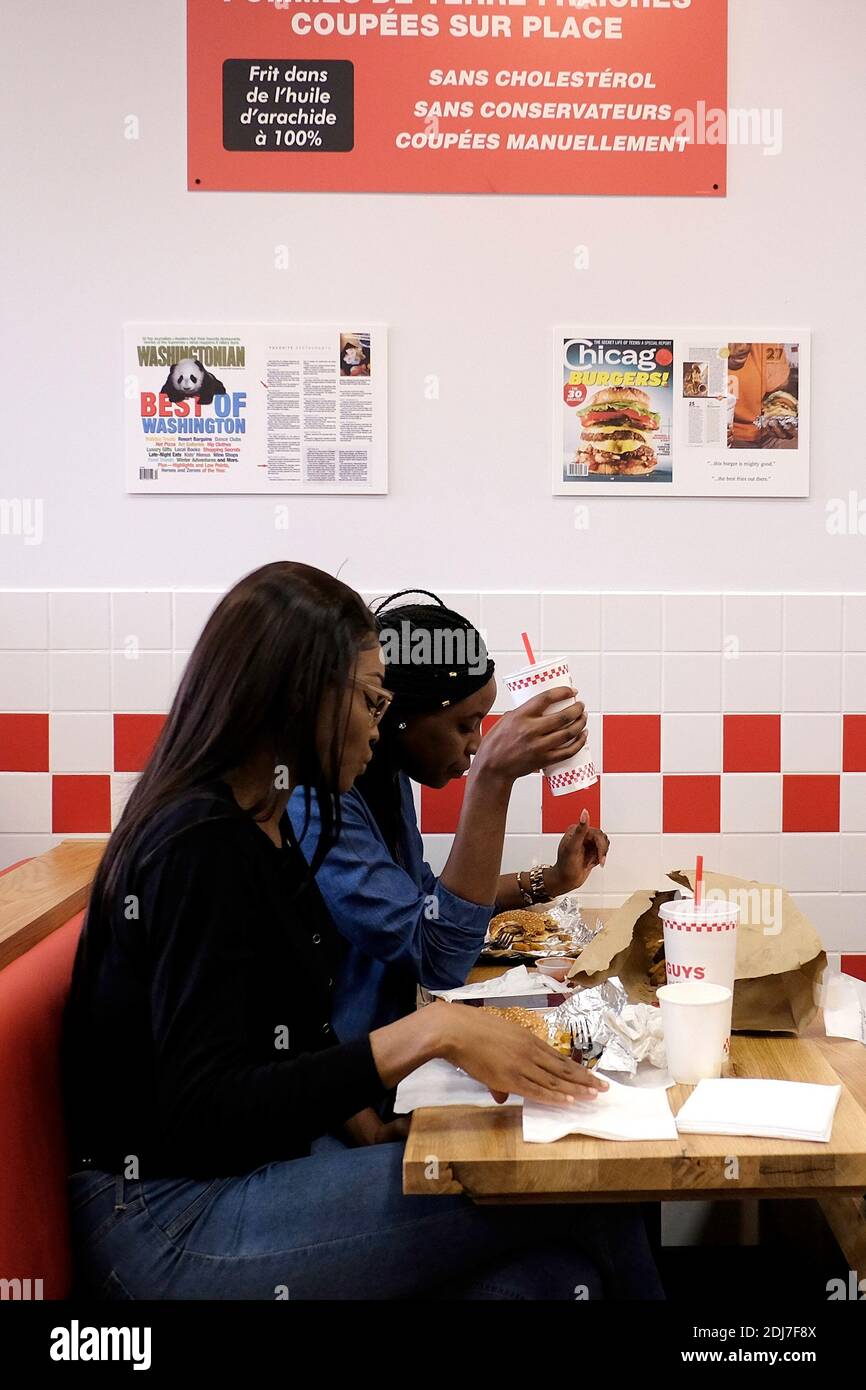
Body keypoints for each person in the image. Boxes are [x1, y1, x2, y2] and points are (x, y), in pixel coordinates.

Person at [61, 561, 662, 1301]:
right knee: (583, 1191)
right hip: (166, 1215)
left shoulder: (268, 824)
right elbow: (203, 1107)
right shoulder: (197, 846)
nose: (381, 731)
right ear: (300, 697)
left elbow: (291, 1026)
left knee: (548, 1282)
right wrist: (432, 1033)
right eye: (373, 703)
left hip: (247, 1168)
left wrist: (372, 1131)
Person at [289, 590, 609, 1040]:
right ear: (397, 713)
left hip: (392, 1051)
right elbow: (439, 956)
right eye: (464, 725)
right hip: (349, 1078)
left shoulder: (387, 777)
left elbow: (427, 903)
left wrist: (551, 880)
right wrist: (491, 781)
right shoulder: (316, 802)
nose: (476, 742)